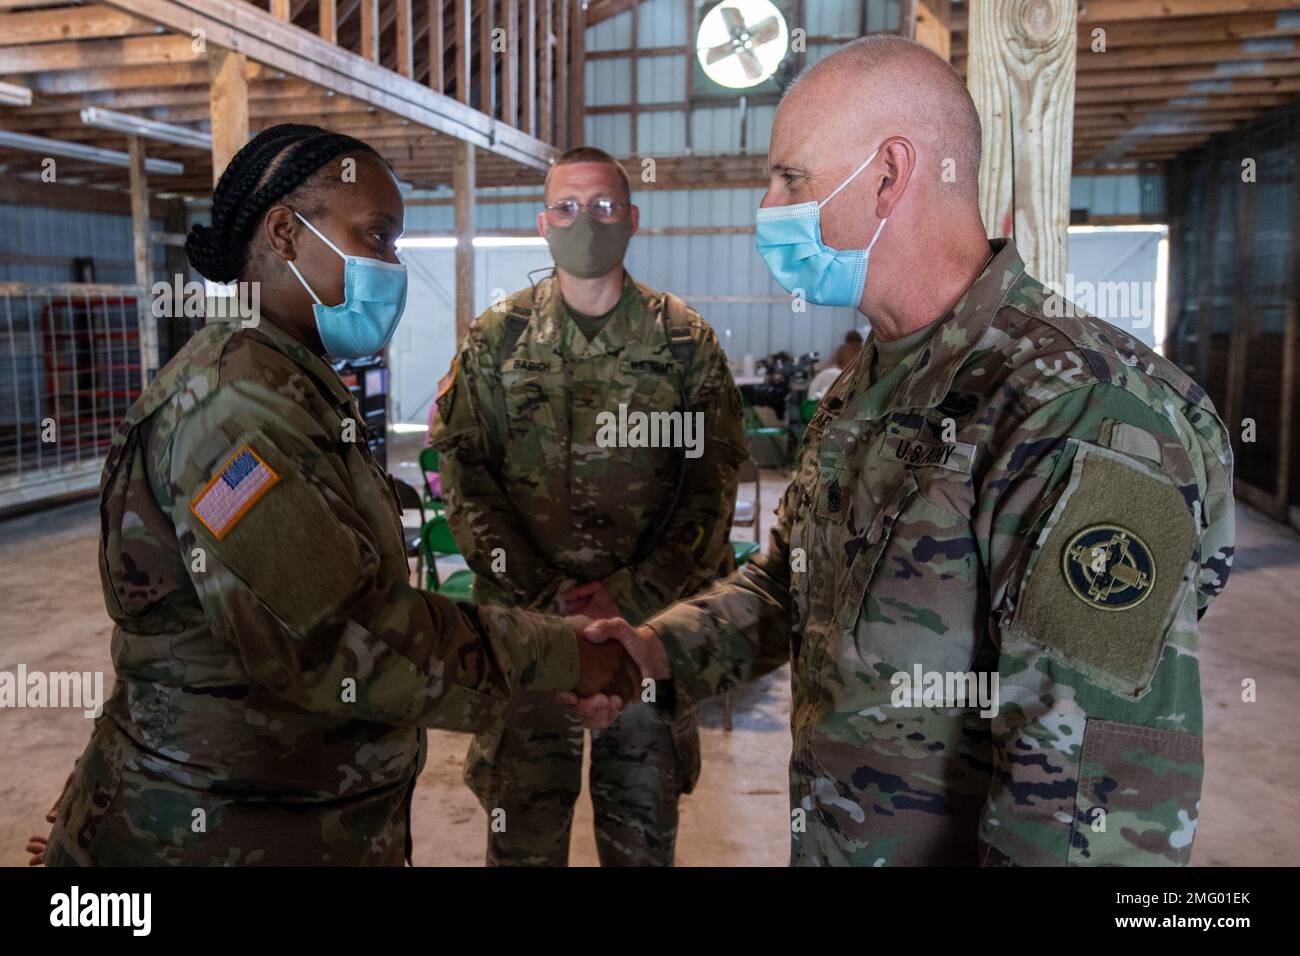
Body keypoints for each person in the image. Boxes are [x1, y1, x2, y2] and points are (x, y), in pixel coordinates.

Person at [573, 37, 1236, 866]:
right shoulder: (873, 380)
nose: (766, 201)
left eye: (791, 178)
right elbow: (794, 585)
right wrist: (659, 647)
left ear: (889, 174)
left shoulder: (1079, 408)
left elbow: (1089, 801)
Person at [39, 124, 637, 867]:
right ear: (287, 233)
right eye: (378, 237)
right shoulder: (233, 408)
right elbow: (345, 644)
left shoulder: (292, 383)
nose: (392, 265)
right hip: (215, 834)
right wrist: (567, 659)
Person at [429, 146, 746, 866]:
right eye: (567, 208)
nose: (585, 222)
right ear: (543, 223)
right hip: (526, 633)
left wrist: (629, 599)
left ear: (631, 221)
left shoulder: (683, 342)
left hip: (649, 632)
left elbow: (712, 486)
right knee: (523, 840)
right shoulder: (497, 339)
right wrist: (549, 602)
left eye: (603, 207)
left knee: (640, 837)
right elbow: (463, 470)